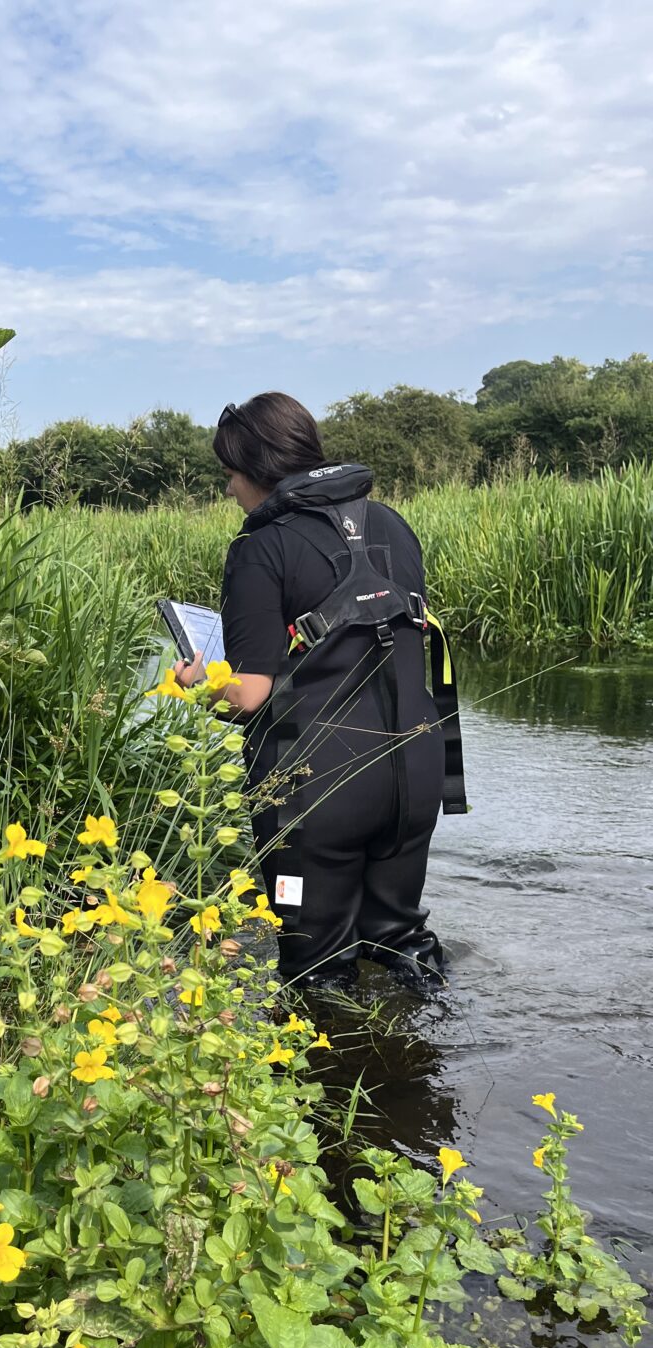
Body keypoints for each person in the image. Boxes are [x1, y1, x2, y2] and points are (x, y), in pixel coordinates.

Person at [174, 392, 453, 990]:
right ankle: (443, 1068)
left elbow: (248, 695)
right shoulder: (392, 525)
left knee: (317, 970)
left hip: (319, 791)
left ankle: (330, 1082)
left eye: (230, 475)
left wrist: (197, 684)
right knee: (400, 937)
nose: (229, 491)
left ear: (259, 469)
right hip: (417, 768)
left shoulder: (259, 548)